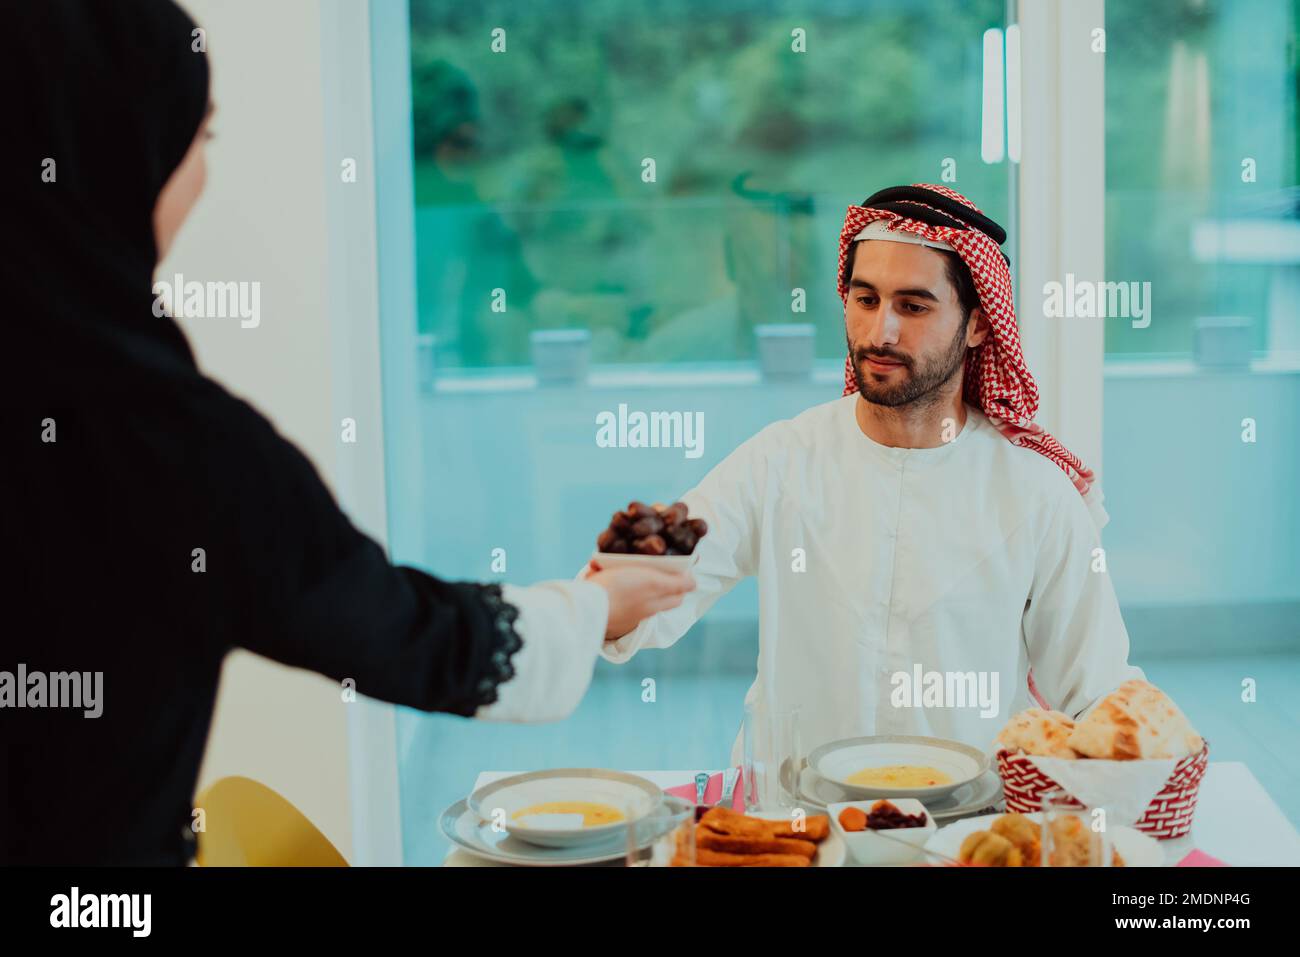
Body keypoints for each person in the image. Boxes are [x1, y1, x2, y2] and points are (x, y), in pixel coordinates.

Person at [0, 0, 692, 865]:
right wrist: (595, 606)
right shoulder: (165, 441)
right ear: (125, 150)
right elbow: (395, 629)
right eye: (199, 138)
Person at [593, 184, 1144, 762]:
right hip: (799, 830)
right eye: (865, 300)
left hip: (964, 834)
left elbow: (1096, 691)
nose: (881, 332)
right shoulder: (780, 460)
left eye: (913, 306)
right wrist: (609, 597)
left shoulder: (1036, 494)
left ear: (980, 325)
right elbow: (656, 594)